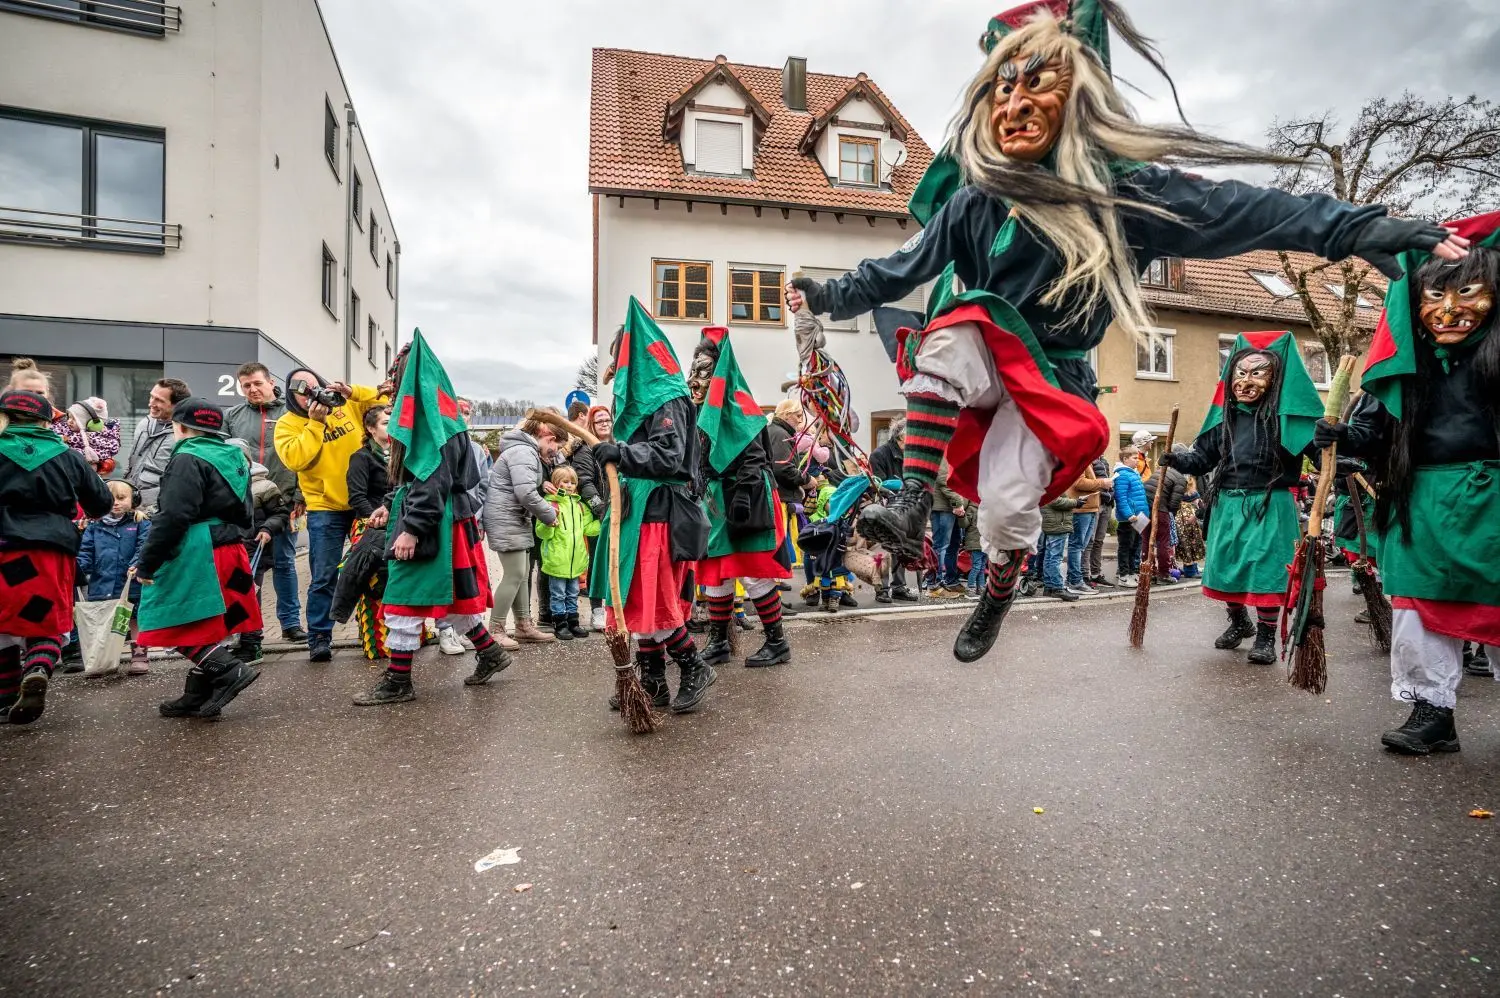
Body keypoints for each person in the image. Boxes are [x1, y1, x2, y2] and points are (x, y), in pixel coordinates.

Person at [783, 0, 1467, 666]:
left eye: (1037, 85)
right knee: (952, 331)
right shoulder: (973, 201)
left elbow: (1257, 213)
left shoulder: (1127, 197)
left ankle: (999, 587)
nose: (1014, 104)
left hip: (1053, 383)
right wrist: (826, 294)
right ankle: (906, 502)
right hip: (986, 356)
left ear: (1079, 101)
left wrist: (1364, 230)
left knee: (1004, 512)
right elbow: (899, 267)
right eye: (1003, 87)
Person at [1316, 218, 1495, 754]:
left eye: (1468, 292)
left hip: (1494, 499)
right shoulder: (1403, 369)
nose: (1448, 309)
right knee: (1417, 608)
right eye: (1434, 294)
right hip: (1420, 500)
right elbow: (1373, 432)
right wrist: (1342, 435)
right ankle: (1431, 713)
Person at [353, 334, 509, 705]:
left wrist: (410, 529)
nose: (391, 387)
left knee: (405, 598)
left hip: (433, 523)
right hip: (446, 519)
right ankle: (490, 653)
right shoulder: (443, 417)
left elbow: (431, 479)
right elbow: (416, 479)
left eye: (397, 377)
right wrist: (390, 504)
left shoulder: (428, 422)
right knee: (452, 598)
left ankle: (398, 681)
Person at [1162, 332, 1325, 666]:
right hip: (1226, 502)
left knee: (1266, 569)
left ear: (1275, 379)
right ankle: (1239, 622)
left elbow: (1320, 455)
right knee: (1225, 568)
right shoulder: (1222, 419)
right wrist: (1177, 460)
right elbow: (1202, 460)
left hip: (1271, 503)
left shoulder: (1286, 420)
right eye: (1240, 373)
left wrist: (1336, 454)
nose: (1245, 381)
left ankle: (1265, 636)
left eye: (1257, 374)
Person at [593, 299, 715, 714]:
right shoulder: (652, 399)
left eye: (621, 361)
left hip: (659, 515)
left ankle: (694, 667)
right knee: (637, 601)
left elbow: (667, 455)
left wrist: (620, 453)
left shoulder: (668, 398)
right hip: (639, 514)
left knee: (655, 599)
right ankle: (654, 681)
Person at [135, 398, 262, 719]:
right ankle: (198, 692)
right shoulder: (233, 456)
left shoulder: (187, 458)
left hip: (195, 548)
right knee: (210, 624)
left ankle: (229, 670)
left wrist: (148, 561)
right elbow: (248, 512)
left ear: (179, 426)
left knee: (174, 620)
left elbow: (173, 515)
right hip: (230, 547)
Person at [0, 389, 114, 723]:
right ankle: (37, 666)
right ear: (46, 419)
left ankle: (5, 698)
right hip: (52, 549)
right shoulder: (68, 455)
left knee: (3, 624)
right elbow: (102, 504)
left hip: (5, 549)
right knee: (46, 618)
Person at [687, 327, 795, 669]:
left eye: (703, 370)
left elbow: (754, 455)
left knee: (751, 571)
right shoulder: (700, 410)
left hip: (744, 494)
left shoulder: (740, 403)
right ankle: (719, 642)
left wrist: (745, 496)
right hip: (716, 497)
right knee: (717, 571)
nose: (695, 377)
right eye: (693, 369)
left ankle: (777, 642)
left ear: (719, 372)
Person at [274, 368, 385, 662]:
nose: (311, 394)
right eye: (302, 390)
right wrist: (315, 424)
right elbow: (296, 459)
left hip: (364, 501)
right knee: (324, 574)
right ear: (291, 393)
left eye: (315, 386)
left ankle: (374, 629)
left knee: (373, 569)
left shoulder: (343, 404)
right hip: (326, 507)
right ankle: (320, 636)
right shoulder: (287, 425)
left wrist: (353, 392)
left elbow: (382, 402)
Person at [226, 362, 306, 642]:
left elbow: (305, 457)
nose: (252, 389)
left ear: (271, 382)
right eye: (246, 385)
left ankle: (291, 623)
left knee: (284, 562)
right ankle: (251, 628)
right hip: (245, 505)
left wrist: (299, 496)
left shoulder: (291, 413)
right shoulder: (232, 416)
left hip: (283, 500)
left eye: (257, 383)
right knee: (248, 567)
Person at [483, 413, 561, 647]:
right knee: (515, 574)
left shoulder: (524, 451)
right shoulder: (523, 452)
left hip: (514, 518)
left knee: (523, 572)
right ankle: (495, 629)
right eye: (556, 446)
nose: (555, 452)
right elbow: (525, 492)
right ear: (549, 437)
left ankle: (524, 626)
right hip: (507, 518)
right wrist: (549, 514)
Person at [225, 437, 293, 666]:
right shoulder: (221, 485)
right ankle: (237, 642)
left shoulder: (265, 486)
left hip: (254, 550)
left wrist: (267, 529)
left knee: (248, 596)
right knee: (232, 597)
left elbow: (280, 514)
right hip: (229, 549)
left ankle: (252, 643)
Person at [76, 480, 152, 674]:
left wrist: (136, 563)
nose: (115, 503)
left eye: (121, 498)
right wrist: (78, 569)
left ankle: (140, 656)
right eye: (110, 499)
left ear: (133, 499)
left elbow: (143, 546)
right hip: (102, 583)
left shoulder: (139, 522)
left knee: (134, 619)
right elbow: (86, 552)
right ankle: (107, 658)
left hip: (130, 582)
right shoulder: (94, 526)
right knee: (105, 623)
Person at [535, 466, 599, 641]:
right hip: (557, 561)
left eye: (572, 482)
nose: (569, 485)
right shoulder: (550, 504)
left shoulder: (579, 506)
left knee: (572, 593)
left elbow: (589, 528)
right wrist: (549, 523)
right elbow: (541, 533)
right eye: (565, 482)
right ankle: (560, 624)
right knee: (558, 594)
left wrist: (604, 523)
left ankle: (573, 621)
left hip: (576, 561)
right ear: (556, 483)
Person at [574, 405, 613, 630]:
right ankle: (597, 611)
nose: (604, 423)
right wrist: (601, 509)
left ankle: (614, 608)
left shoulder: (618, 445)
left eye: (607, 419)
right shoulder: (586, 450)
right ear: (591, 425)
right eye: (599, 421)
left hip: (621, 512)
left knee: (617, 562)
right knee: (598, 564)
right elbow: (585, 482)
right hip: (598, 516)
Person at [126, 378, 191, 512]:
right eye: (151, 396)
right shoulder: (144, 423)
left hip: (157, 510)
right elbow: (132, 464)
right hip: (129, 505)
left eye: (159, 400)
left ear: (177, 405)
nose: (151, 403)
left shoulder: (185, 434)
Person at [1142, 446, 1188, 584]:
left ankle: (1148, 572)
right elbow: (1174, 503)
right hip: (1159, 509)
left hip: (1143, 508)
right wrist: (1170, 515)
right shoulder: (1180, 478)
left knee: (1145, 539)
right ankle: (1163, 574)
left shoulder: (1160, 470)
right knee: (1163, 542)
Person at [928, 462, 968, 598]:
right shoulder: (942, 455)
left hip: (951, 508)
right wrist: (958, 502)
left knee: (953, 545)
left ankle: (951, 581)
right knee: (940, 547)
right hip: (942, 508)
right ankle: (934, 585)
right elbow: (945, 482)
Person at [1064, 464, 1107, 595]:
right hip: (1081, 510)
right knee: (1076, 546)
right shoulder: (1080, 458)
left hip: (1089, 508)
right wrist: (1102, 483)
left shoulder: (1087, 460)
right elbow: (1079, 482)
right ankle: (1075, 582)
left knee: (1080, 546)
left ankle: (1073, 579)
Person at [1111, 449, 1148, 587]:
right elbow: (1121, 497)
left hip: (1140, 516)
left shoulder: (1134, 473)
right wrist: (1128, 514)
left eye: (1137, 458)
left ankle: (1133, 572)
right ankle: (1124, 575)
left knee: (1136, 546)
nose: (1137, 460)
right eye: (1134, 458)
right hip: (1130, 518)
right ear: (1125, 459)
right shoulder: (1122, 474)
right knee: (1126, 546)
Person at [57, 398, 121, 475]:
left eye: (75, 419)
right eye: (69, 417)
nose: (69, 421)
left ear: (91, 424)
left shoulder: (104, 441)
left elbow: (93, 456)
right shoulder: (63, 429)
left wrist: (68, 440)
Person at [1038, 488, 1080, 602]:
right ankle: (1057, 588)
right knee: (1055, 558)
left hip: (1053, 523)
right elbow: (1054, 500)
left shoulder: (1045, 478)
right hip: (1057, 524)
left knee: (1050, 557)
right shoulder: (1052, 479)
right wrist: (1075, 502)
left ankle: (1049, 587)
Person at [1083, 454, 1114, 587]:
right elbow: (1085, 483)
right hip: (1094, 503)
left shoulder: (1104, 461)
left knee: (1099, 541)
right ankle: (1084, 574)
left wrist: (1111, 496)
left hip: (1106, 503)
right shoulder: (1087, 459)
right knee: (1089, 541)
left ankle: (1096, 573)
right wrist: (1102, 490)